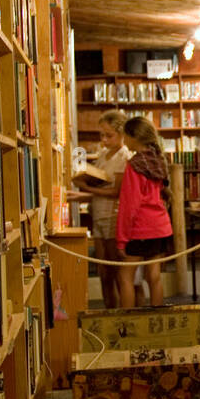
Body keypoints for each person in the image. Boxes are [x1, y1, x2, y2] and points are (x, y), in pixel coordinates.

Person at [74, 110, 130, 308]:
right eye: (102, 135)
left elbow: (117, 192)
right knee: (103, 272)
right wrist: (78, 195)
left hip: (114, 217)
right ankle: (108, 310)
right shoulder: (104, 155)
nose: (104, 140)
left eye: (109, 135)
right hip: (98, 216)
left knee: (117, 272)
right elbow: (100, 188)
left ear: (121, 134)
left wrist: (86, 188)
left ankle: (119, 316)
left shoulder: (124, 156)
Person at [116, 116, 173, 307]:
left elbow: (129, 206)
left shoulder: (134, 165)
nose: (124, 141)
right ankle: (158, 319)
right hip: (161, 227)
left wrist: (122, 239)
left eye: (125, 137)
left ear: (133, 137)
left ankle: (127, 323)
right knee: (154, 276)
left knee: (125, 277)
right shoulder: (158, 161)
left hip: (140, 229)